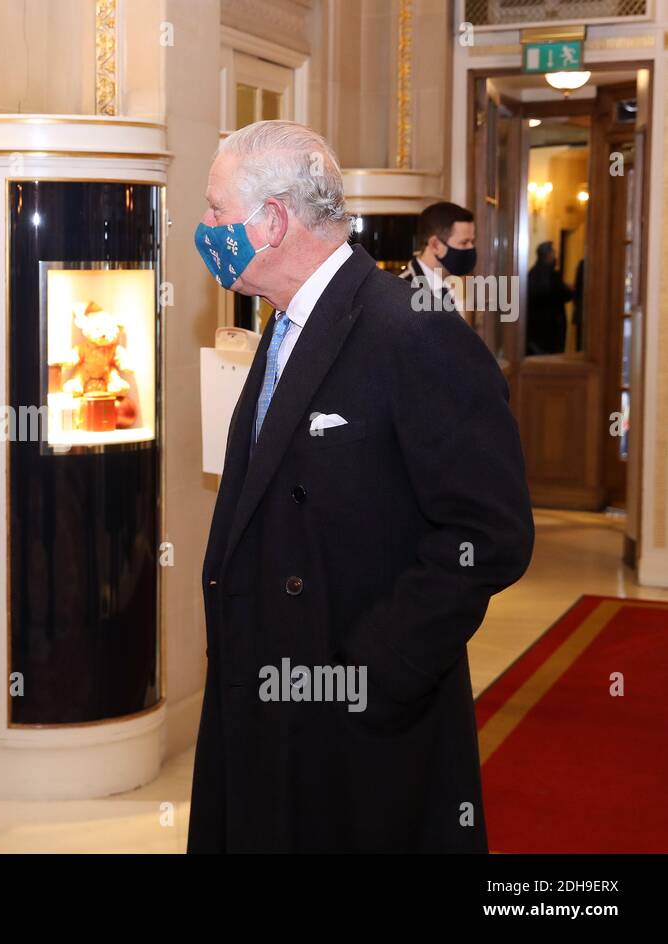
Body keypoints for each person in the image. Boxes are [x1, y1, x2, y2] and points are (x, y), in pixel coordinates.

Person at [189, 120, 533, 853]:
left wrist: (376, 670)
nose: (205, 227)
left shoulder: (411, 330)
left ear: (273, 220)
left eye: (216, 211)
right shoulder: (284, 325)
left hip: (357, 724)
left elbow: (488, 532)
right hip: (265, 703)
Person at [398, 200, 476, 314]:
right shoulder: (401, 293)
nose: (471, 248)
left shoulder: (447, 287)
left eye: (472, 241)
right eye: (464, 242)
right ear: (435, 245)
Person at [526, 241, 573, 355]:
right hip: (551, 330)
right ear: (548, 255)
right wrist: (569, 289)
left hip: (534, 332)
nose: (555, 256)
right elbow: (562, 295)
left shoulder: (532, 274)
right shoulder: (552, 275)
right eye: (553, 253)